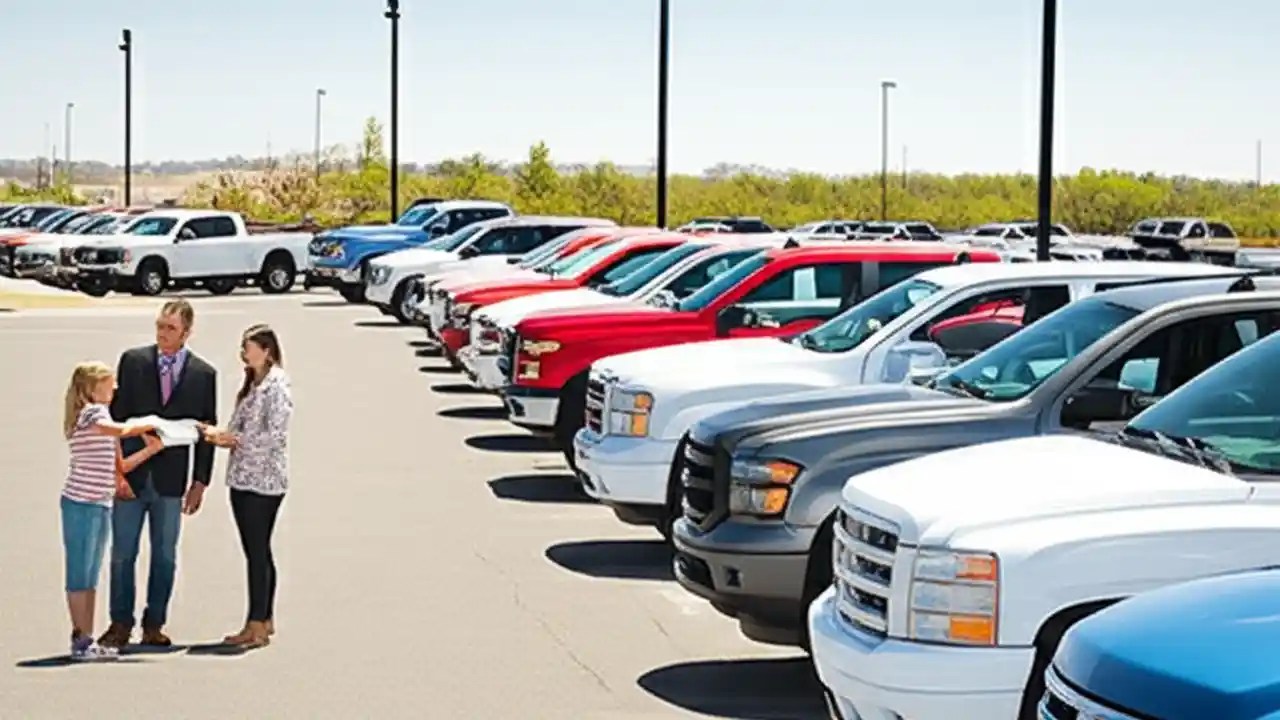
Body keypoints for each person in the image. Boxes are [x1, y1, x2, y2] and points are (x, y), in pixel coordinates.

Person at [98, 299, 219, 649]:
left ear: (186, 332)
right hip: (131, 477)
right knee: (123, 552)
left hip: (170, 481)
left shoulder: (203, 375)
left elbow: (206, 431)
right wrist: (116, 473)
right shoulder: (134, 362)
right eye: (159, 326)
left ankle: (154, 623)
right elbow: (115, 424)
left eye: (170, 328)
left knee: (165, 553)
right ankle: (120, 623)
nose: (162, 334)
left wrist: (200, 481)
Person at [60, 362, 165, 660]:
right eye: (110, 383)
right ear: (93, 388)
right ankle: (79, 638)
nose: (115, 388)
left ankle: (87, 639)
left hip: (101, 502)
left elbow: (119, 467)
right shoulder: (92, 413)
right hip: (81, 504)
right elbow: (119, 429)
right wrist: (150, 421)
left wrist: (150, 449)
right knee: (79, 573)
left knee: (91, 575)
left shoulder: (101, 414)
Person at [201, 324, 293, 649]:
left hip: (263, 481)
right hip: (243, 478)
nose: (244, 352)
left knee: (257, 551)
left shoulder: (276, 387)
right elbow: (240, 425)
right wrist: (220, 435)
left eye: (249, 347)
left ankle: (255, 623)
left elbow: (275, 436)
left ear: (266, 350)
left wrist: (234, 439)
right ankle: (263, 619)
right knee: (257, 550)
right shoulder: (254, 384)